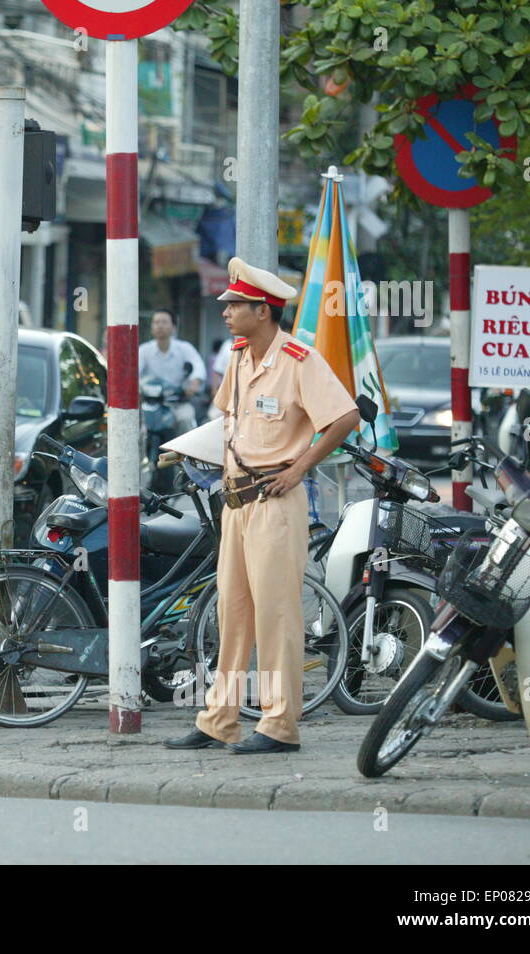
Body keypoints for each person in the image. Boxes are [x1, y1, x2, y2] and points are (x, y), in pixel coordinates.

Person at [166, 257, 359, 755]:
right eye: (227, 304)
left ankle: (279, 725)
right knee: (232, 616)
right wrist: (188, 449)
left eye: (235, 305)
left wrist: (300, 468)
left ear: (263, 310)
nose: (226, 312)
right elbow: (230, 422)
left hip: (276, 503)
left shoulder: (299, 359)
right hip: (236, 504)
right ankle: (220, 720)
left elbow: (344, 417)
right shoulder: (239, 356)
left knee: (276, 617)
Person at [137, 308, 205, 433]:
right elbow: (134, 372)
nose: (160, 326)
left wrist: (194, 383)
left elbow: (197, 365)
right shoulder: (143, 350)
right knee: (138, 427)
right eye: (156, 322)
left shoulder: (185, 348)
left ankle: (186, 453)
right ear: (152, 327)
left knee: (186, 420)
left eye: (164, 322)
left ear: (174, 327)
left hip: (178, 403)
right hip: (151, 404)